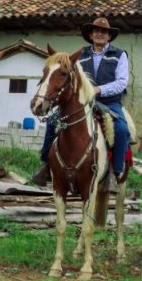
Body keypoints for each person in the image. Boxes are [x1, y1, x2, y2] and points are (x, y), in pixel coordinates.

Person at [30, 17, 131, 191]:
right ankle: (45, 165)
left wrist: (99, 89)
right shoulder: (80, 56)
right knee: (52, 121)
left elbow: (122, 82)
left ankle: (116, 173)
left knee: (121, 129)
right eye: (96, 31)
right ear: (90, 35)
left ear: (109, 36)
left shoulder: (119, 55)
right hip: (83, 101)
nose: (100, 34)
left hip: (109, 102)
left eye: (104, 31)